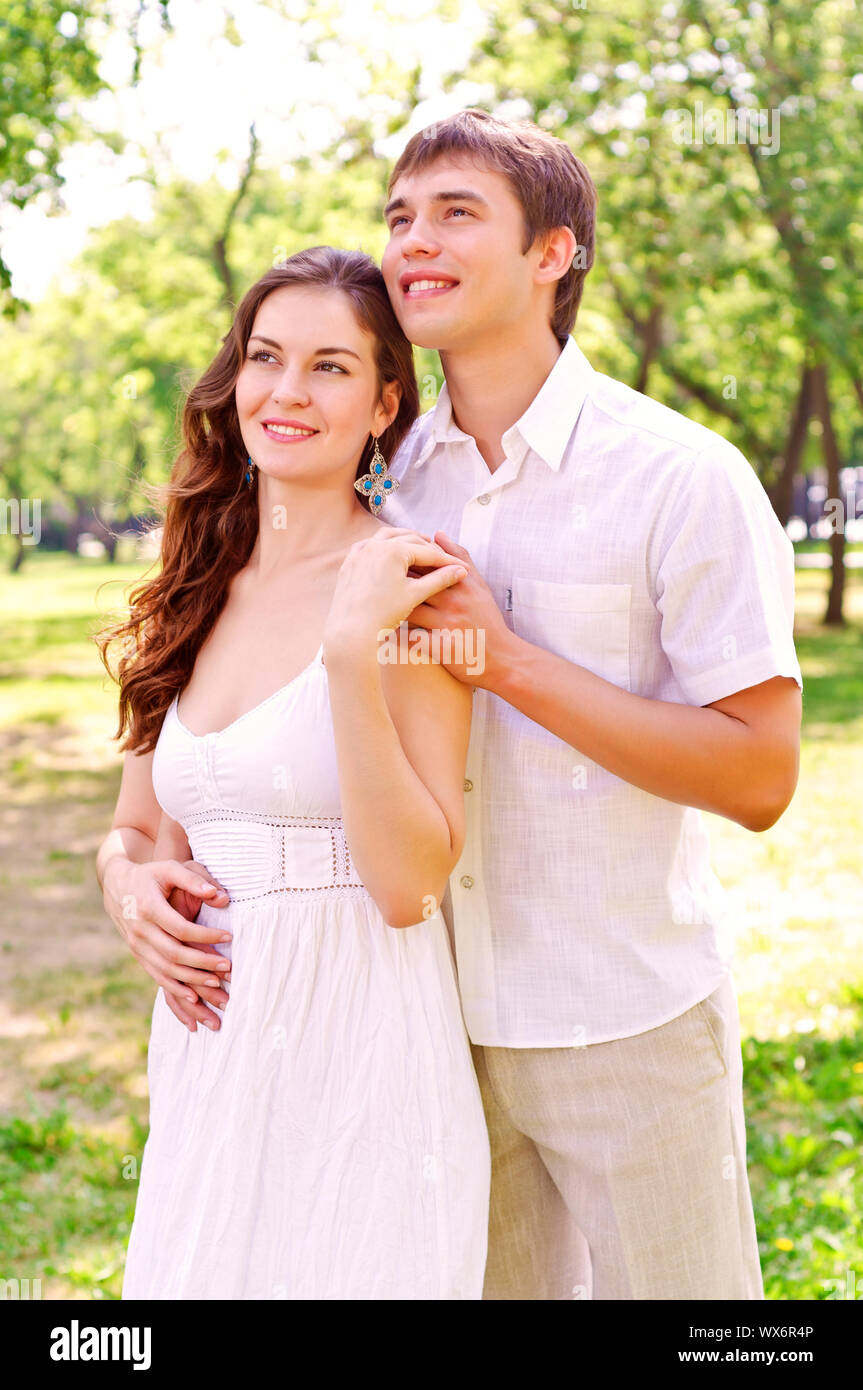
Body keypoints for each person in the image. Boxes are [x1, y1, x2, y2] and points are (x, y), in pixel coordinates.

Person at [111, 108, 804, 1301]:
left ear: (554, 253)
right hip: (424, 1030)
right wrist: (132, 873)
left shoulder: (677, 476)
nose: (410, 242)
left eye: (454, 213)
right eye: (397, 215)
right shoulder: (392, 476)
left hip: (613, 1013)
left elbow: (759, 776)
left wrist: (507, 661)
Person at [95, 246, 491, 1300]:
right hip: (212, 1055)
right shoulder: (186, 581)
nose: (285, 391)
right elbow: (138, 829)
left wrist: (349, 654)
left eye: (328, 366)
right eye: (266, 356)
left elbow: (410, 888)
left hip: (363, 1050)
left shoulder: (412, 583)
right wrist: (126, 886)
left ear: (381, 406)